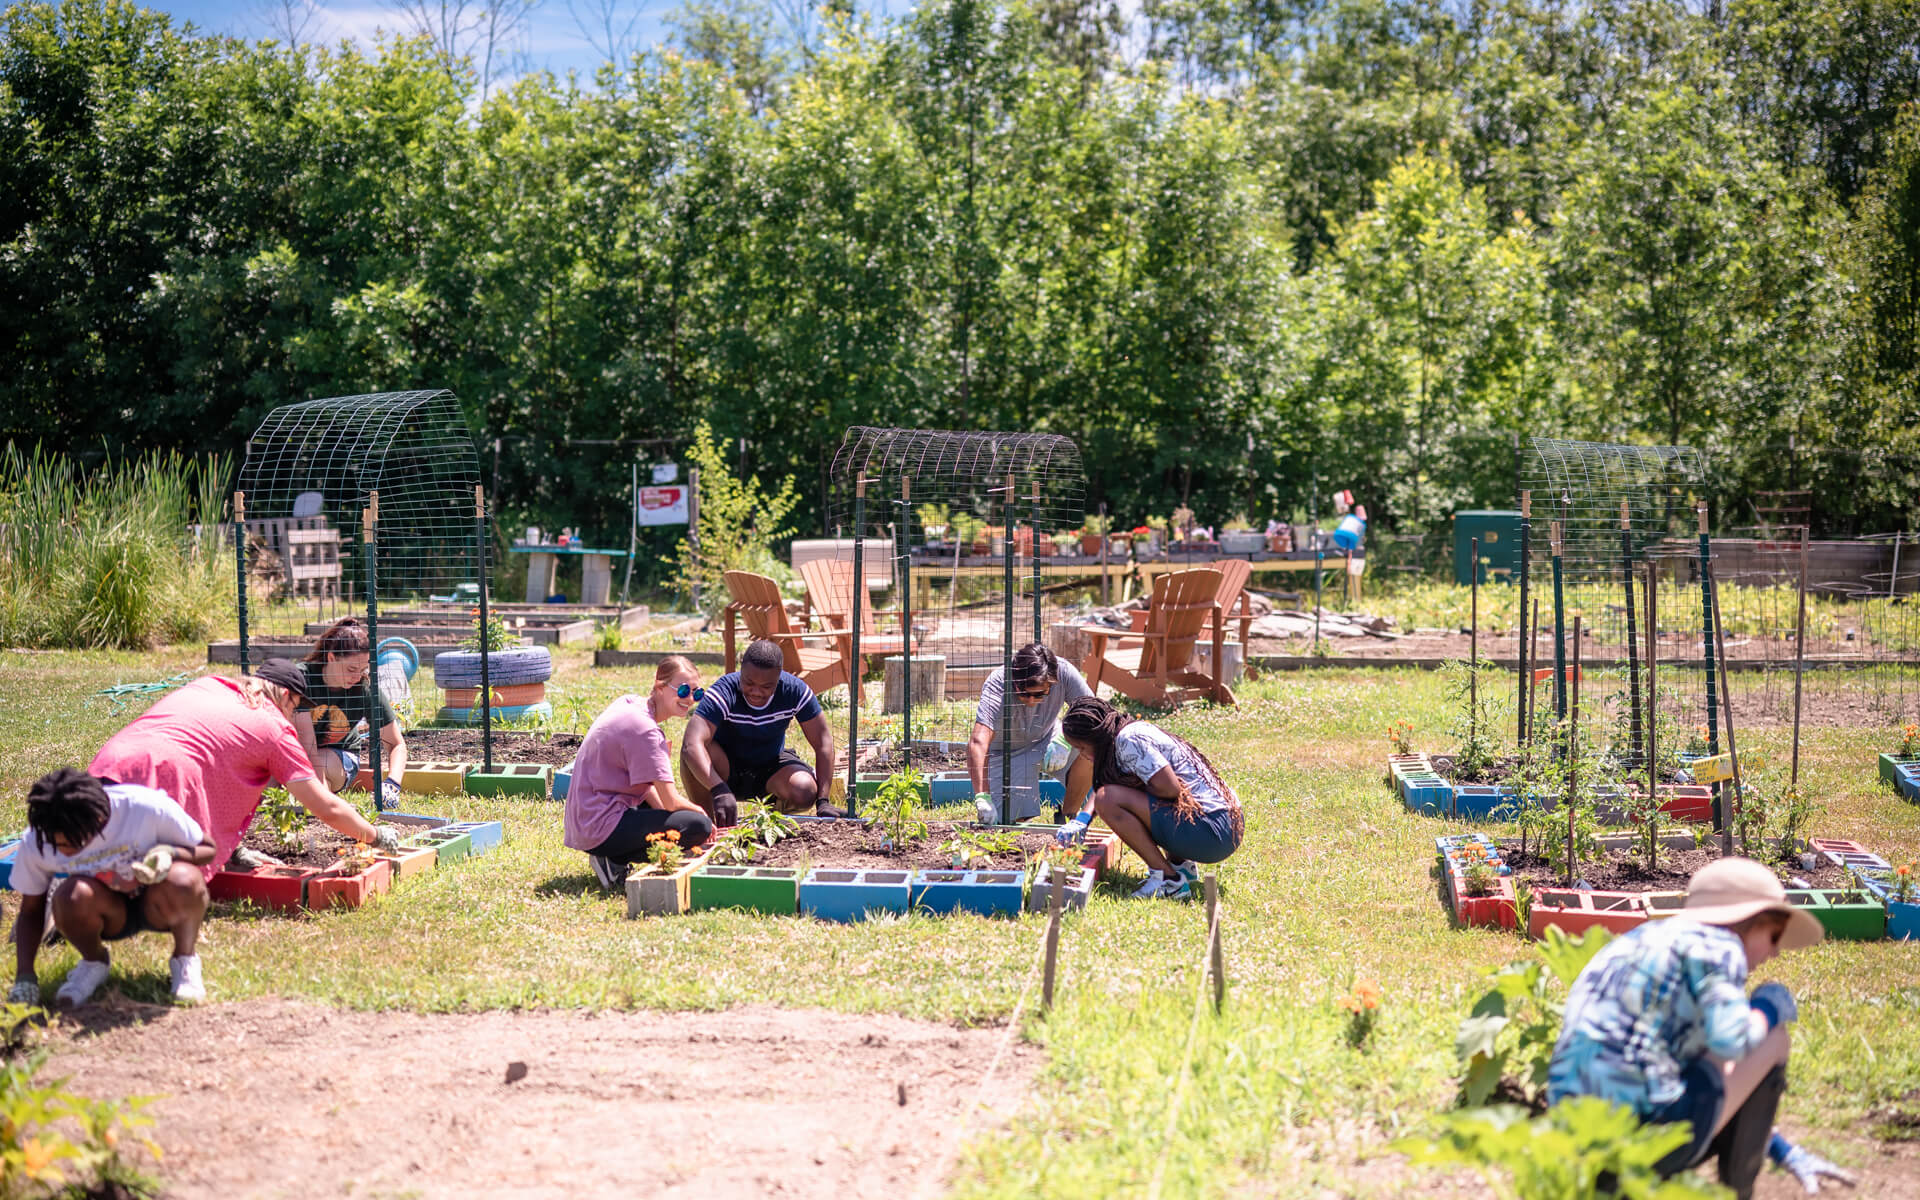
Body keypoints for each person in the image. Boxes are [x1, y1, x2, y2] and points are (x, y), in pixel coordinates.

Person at [1547, 857, 1853, 1199]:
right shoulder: (1719, 945)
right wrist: (1770, 1002)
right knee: (1773, 1038)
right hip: (1644, 1138)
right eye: (1775, 935)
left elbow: (1698, 1060)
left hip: (1574, 1139)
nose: (1776, 953)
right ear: (1749, 922)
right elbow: (1732, 1044)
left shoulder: (1636, 941)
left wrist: (1780, 1148)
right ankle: (1739, 1192)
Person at [88, 659, 400, 877]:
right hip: (162, 784)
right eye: (295, 707)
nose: (293, 714)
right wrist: (374, 835)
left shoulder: (210, 684)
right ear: (286, 696)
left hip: (109, 764)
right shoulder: (273, 727)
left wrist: (231, 850)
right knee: (121, 874)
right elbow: (325, 806)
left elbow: (220, 769)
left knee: (79, 846)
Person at [8, 768, 217, 1008]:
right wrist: (25, 976)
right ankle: (93, 963)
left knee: (184, 880)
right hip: (109, 912)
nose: (61, 849)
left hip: (157, 902)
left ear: (98, 822)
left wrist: (170, 852)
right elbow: (31, 910)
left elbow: (207, 849)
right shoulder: (39, 840)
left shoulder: (145, 808)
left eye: (69, 843)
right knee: (70, 895)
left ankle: (185, 960)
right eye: (55, 843)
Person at [1055, 697, 1243, 901]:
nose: (1082, 755)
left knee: (1108, 800)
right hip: (1226, 824)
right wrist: (1082, 819)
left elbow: (1169, 788)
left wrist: (1127, 794)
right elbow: (1107, 784)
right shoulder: (1128, 732)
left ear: (1097, 736)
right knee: (1115, 796)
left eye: (1082, 748)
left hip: (1211, 832)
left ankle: (1167, 880)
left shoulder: (1128, 741)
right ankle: (1180, 866)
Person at [566, 656, 716, 891]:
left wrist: (666, 812)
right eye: (684, 690)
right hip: (599, 826)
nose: (689, 699)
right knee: (697, 826)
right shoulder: (646, 731)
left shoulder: (630, 703)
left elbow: (650, 789)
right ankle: (614, 857)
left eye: (697, 693)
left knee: (677, 816)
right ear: (660, 686)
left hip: (586, 817)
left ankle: (612, 855)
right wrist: (702, 814)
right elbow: (670, 800)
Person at [682, 639, 839, 824]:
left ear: (779, 677)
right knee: (696, 752)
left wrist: (823, 801)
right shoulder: (724, 691)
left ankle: (775, 821)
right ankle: (708, 823)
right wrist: (718, 789)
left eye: (766, 687)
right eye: (749, 683)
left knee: (803, 790)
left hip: (770, 767)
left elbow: (823, 742)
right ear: (741, 670)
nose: (756, 692)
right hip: (724, 769)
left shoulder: (794, 691)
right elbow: (691, 744)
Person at [966, 643, 1095, 824]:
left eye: (1040, 694)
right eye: (1024, 693)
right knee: (1010, 822)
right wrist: (982, 797)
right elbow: (978, 741)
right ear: (1015, 681)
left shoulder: (1064, 672)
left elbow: (1093, 710)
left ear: (1052, 682)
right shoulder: (998, 684)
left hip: (1050, 737)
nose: (1031, 700)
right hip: (1008, 753)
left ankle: (1068, 815)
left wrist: (1066, 739)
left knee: (1090, 749)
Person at [295, 618, 407, 810]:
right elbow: (306, 747)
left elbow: (396, 744)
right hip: (300, 755)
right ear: (331, 658)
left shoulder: (365, 689)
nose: (357, 676)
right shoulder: (302, 680)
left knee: (316, 767)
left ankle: (324, 805)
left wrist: (393, 783)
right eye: (351, 669)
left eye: (363, 669)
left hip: (339, 757)